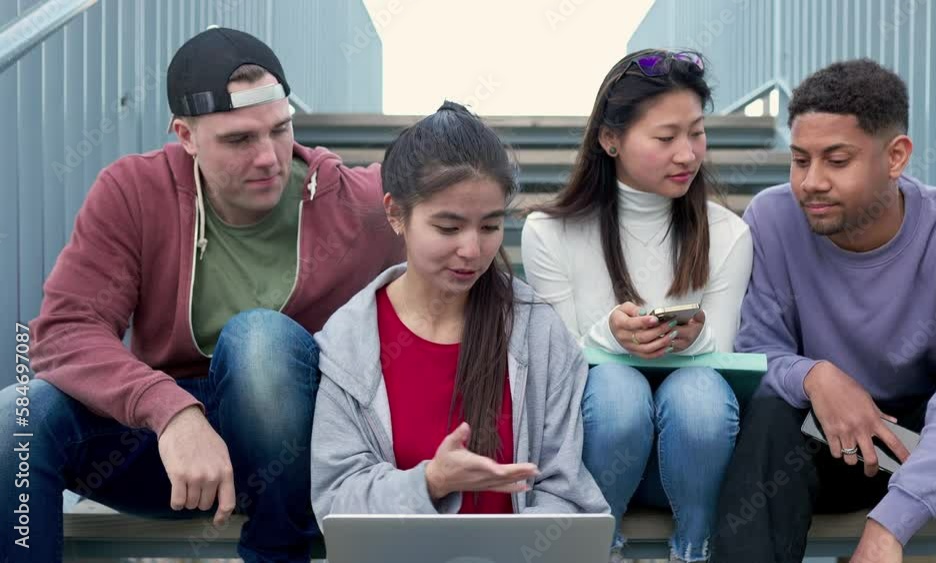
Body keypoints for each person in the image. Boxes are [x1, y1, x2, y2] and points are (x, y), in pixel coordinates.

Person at [0, 27, 402, 563]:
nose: (268, 158)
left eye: (280, 130)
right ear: (185, 135)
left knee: (259, 340)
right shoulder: (133, 192)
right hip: (167, 457)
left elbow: (460, 232)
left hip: (294, 451)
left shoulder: (362, 205)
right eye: (238, 140)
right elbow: (63, 333)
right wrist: (171, 412)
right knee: (15, 418)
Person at [713, 59, 936, 563]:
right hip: (827, 445)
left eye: (836, 160)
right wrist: (815, 376)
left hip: (930, 447)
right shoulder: (774, 218)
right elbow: (756, 351)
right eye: (800, 160)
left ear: (896, 156)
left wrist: (891, 523)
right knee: (773, 412)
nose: (811, 183)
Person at [310, 102, 609, 523]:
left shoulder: (536, 330)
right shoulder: (350, 339)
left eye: (489, 226)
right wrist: (431, 482)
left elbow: (566, 490)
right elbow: (337, 499)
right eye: (448, 228)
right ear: (395, 213)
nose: (472, 251)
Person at [520, 49, 752, 562]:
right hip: (593, 452)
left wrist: (697, 337)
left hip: (697, 456)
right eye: (666, 138)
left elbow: (725, 356)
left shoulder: (729, 233)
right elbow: (554, 371)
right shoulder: (550, 232)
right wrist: (608, 334)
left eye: (696, 132)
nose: (688, 154)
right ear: (610, 139)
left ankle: (696, 549)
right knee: (616, 388)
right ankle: (601, 548)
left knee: (699, 394)